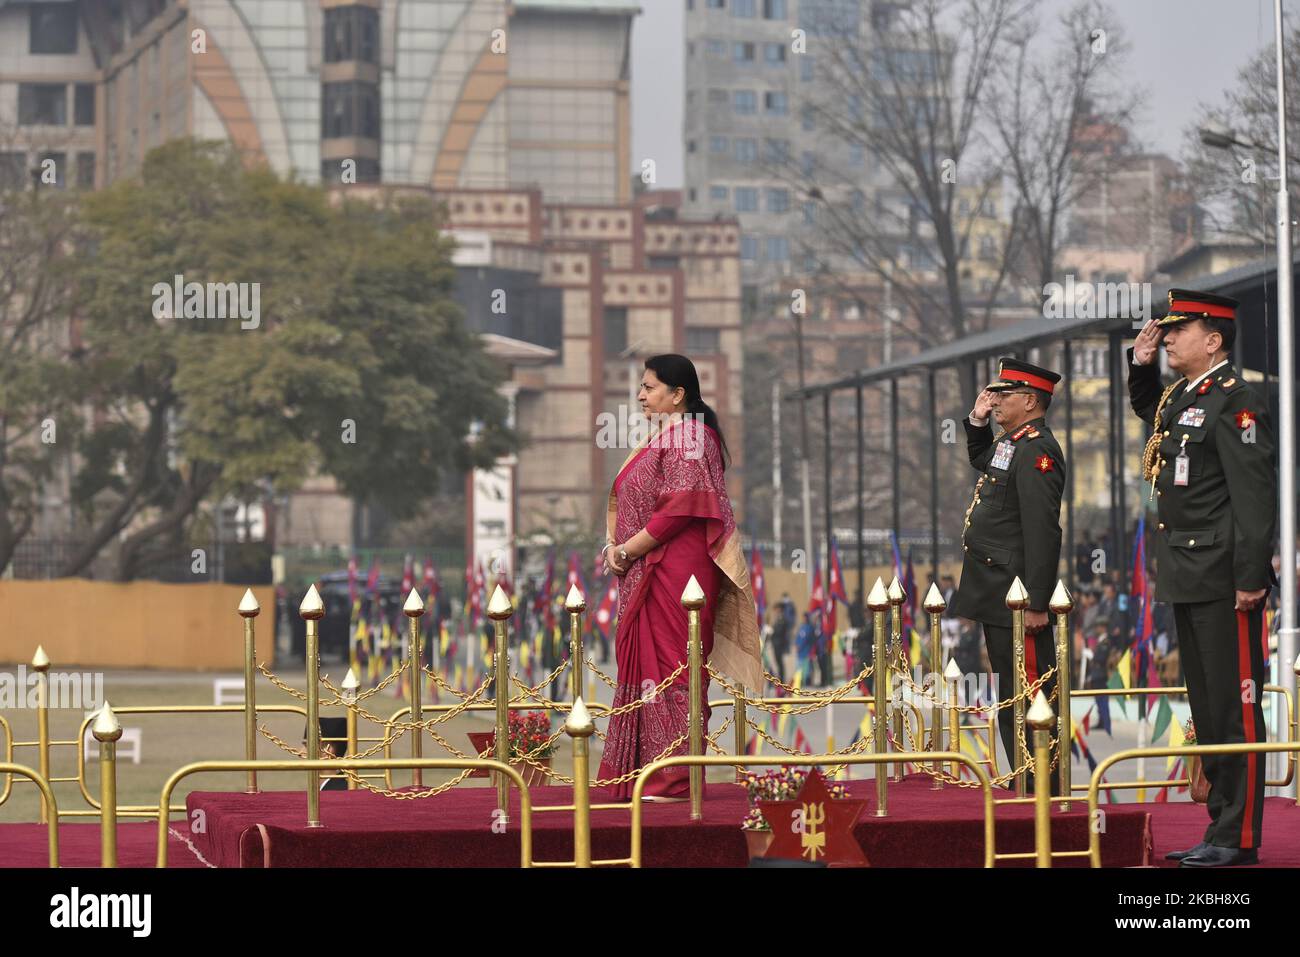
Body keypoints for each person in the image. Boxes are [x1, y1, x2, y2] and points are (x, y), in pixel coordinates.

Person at [1131, 289, 1276, 867]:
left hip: (1224, 578)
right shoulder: (1187, 396)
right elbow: (1155, 418)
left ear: (1213, 340)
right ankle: (1220, 828)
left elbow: (1255, 497)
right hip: (1188, 571)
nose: (1167, 337)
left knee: (1235, 703)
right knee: (1208, 705)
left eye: (1179, 330)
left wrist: (1250, 577)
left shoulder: (1236, 402)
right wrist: (1141, 369)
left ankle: (1239, 837)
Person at [596, 354, 762, 801]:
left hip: (676, 571)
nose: (640, 395)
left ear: (677, 394)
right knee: (650, 666)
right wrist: (615, 550)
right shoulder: (663, 437)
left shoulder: (692, 437)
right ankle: (641, 771)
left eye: (649, 387)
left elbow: (681, 506)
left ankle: (673, 777)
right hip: (650, 566)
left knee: (674, 665)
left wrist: (628, 550)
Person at [949, 357, 1067, 793]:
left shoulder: (1037, 449)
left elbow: (1042, 530)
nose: (995, 400)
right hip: (998, 592)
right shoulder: (1012, 441)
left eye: (1005, 395)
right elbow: (986, 463)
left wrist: (1037, 601)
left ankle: (1042, 790)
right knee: (1011, 697)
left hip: (1017, 595)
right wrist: (977, 421)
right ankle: (1025, 783)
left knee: (1030, 696)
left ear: (1031, 401)